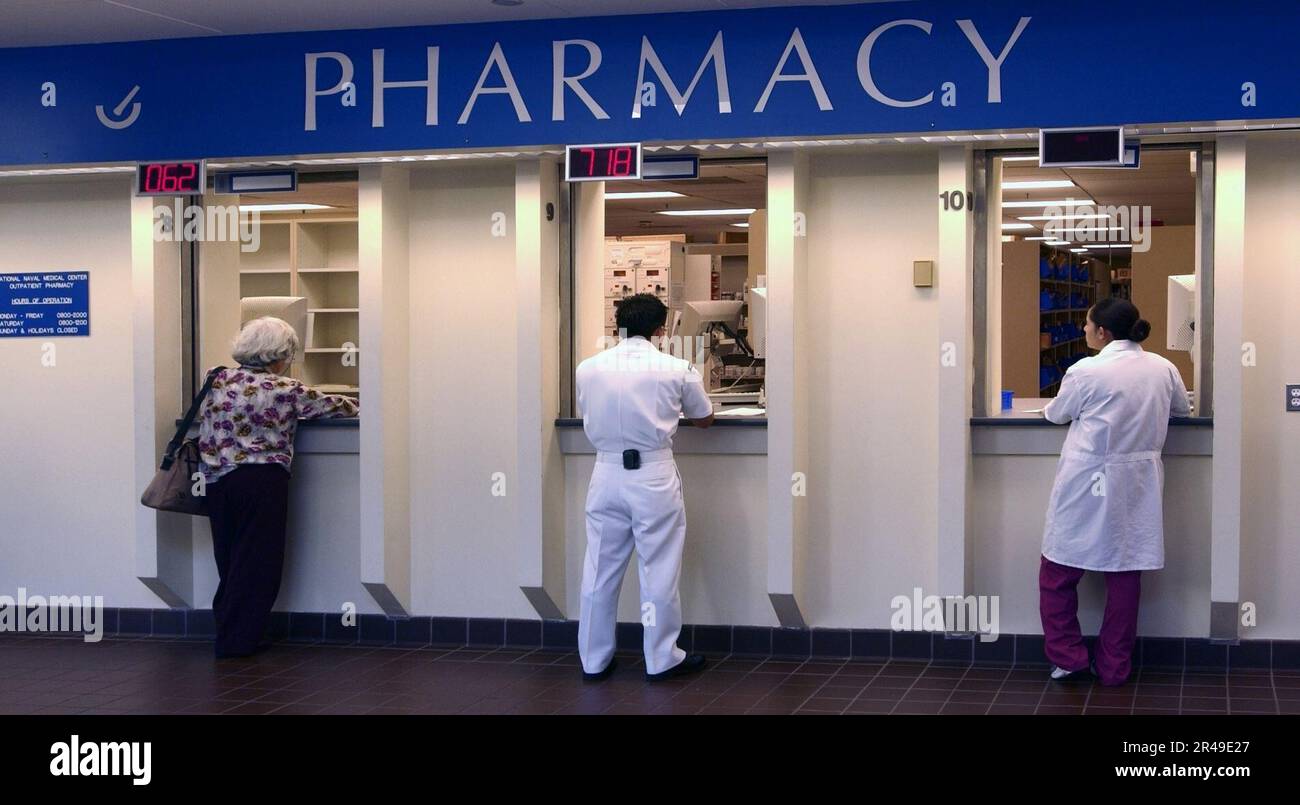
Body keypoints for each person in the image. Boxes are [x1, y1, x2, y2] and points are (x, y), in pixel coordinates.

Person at [1039, 298, 1190, 685]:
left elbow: (1057, 413)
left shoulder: (1086, 371)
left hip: (1087, 479)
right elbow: (1181, 410)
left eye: (1087, 324)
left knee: (1058, 572)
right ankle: (1114, 668)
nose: (1084, 330)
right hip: (1136, 483)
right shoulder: (1163, 368)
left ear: (1103, 331)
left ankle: (1069, 658)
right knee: (1125, 573)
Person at [197, 317, 359, 658]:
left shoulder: (215, 377)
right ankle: (238, 642)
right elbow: (339, 406)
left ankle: (228, 632)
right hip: (261, 481)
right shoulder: (287, 390)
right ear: (280, 355)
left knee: (228, 558)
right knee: (258, 561)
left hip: (215, 480)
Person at [575, 293, 715, 681]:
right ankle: (661, 657)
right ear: (659, 329)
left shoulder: (588, 368)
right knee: (659, 569)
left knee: (600, 569)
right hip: (652, 477)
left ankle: (594, 659)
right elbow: (704, 418)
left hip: (605, 474)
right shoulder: (675, 367)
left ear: (618, 324)